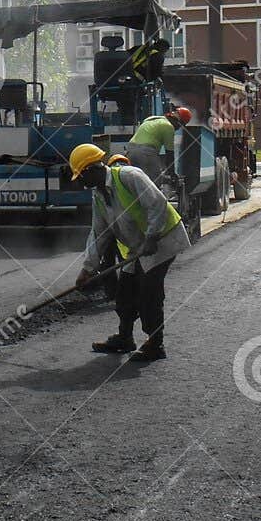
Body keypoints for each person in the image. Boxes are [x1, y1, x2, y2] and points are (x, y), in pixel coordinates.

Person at [68, 142, 189, 362]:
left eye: (81, 177)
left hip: (162, 239)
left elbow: (157, 204)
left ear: (92, 169)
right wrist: (87, 269)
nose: (82, 183)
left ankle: (155, 344)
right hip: (138, 247)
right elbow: (99, 234)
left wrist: (152, 237)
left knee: (148, 292)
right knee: (125, 291)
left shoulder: (129, 176)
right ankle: (125, 338)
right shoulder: (98, 195)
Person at [126, 105, 190, 184]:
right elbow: (169, 154)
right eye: (180, 126)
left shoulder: (151, 120)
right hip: (146, 153)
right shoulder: (169, 127)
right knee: (154, 183)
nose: (178, 128)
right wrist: (172, 175)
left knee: (135, 182)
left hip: (130, 151)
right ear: (179, 122)